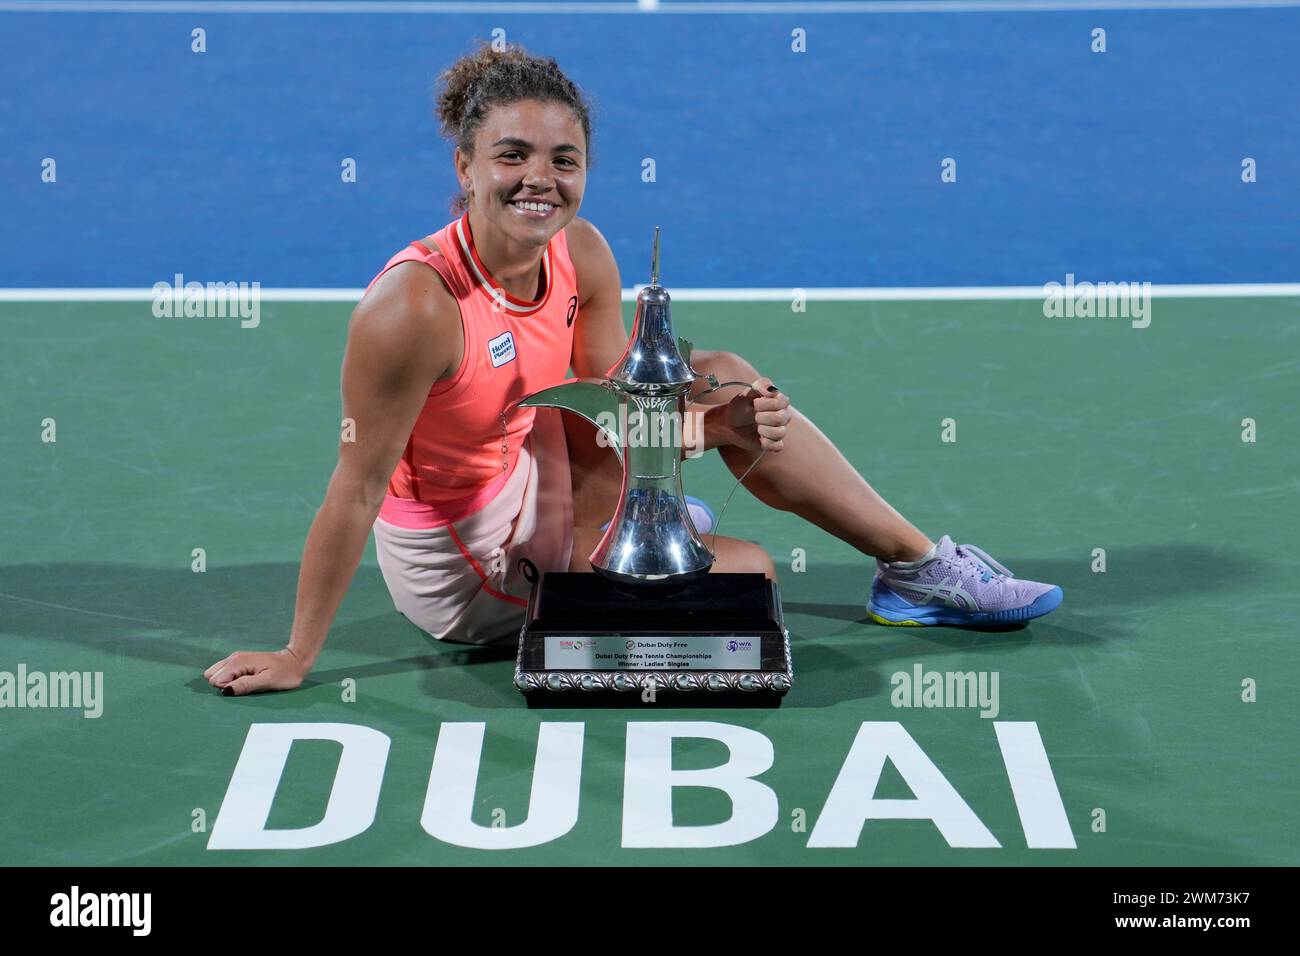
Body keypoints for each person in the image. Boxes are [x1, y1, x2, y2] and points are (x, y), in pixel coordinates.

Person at [204, 43, 1062, 697]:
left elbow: (617, 406)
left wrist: (720, 423)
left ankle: (917, 570)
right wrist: (296, 654)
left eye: (563, 160)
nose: (539, 179)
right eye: (512, 156)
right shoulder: (414, 309)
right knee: (751, 568)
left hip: (537, 454)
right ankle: (607, 539)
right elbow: (355, 488)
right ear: (464, 169)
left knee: (722, 373)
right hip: (464, 557)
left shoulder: (580, 250)